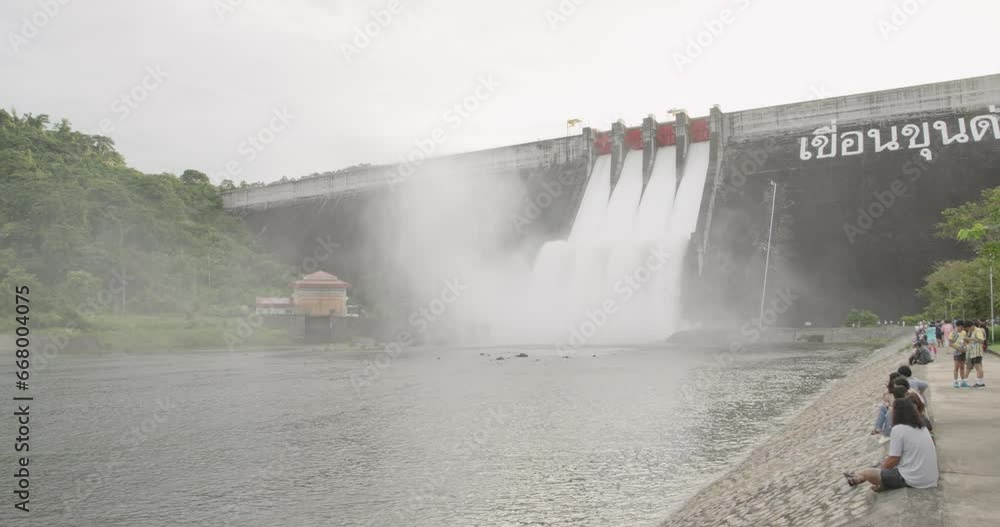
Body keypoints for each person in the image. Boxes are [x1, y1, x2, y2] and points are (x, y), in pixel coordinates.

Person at [844, 398, 939, 490]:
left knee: (868, 472)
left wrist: (881, 472)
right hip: (930, 478)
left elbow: (893, 460)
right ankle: (857, 475)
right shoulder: (922, 427)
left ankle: (858, 476)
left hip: (915, 480)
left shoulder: (898, 429)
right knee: (881, 465)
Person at [966, 320, 986, 388]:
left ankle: (979, 383)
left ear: (971, 326)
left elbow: (981, 340)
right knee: (978, 367)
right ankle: (981, 382)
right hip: (974, 351)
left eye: (968, 328)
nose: (969, 330)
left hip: (977, 352)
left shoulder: (978, 331)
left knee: (978, 367)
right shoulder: (973, 331)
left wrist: (971, 339)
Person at [949, 320, 968, 388]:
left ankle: (963, 381)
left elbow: (965, 341)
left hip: (963, 351)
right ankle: (955, 381)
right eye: (961, 327)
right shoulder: (953, 333)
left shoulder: (964, 332)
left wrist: (965, 347)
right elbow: (950, 344)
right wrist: (958, 348)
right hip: (956, 352)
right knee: (956, 367)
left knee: (962, 367)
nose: (962, 328)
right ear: (958, 326)